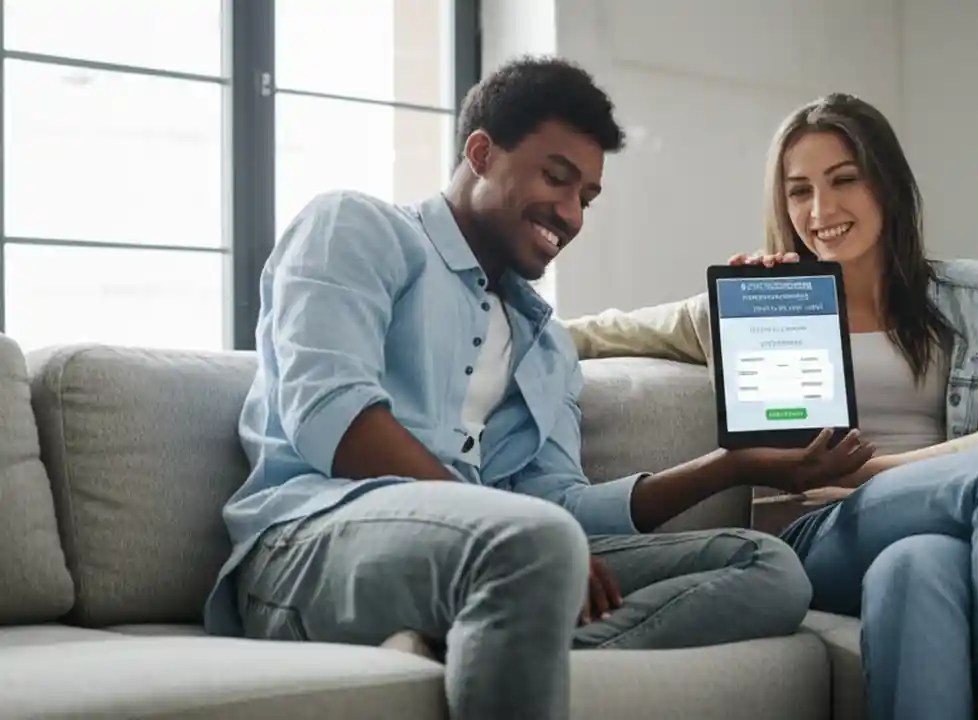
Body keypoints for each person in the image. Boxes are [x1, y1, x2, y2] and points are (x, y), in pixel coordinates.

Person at [201, 58, 875, 720]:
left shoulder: (548, 346)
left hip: (501, 556)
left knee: (768, 565)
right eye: (557, 178)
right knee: (534, 545)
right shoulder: (358, 228)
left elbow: (560, 504)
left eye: (586, 196)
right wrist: (519, 527)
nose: (572, 213)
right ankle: (494, 630)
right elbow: (331, 416)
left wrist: (734, 466)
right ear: (482, 152)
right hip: (309, 543)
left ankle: (486, 645)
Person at [564, 93, 978, 720]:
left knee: (917, 568)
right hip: (818, 534)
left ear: (888, 184)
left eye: (844, 179)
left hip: (931, 521)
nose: (821, 210)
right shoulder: (754, 301)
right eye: (799, 191)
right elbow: (583, 333)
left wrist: (861, 471)